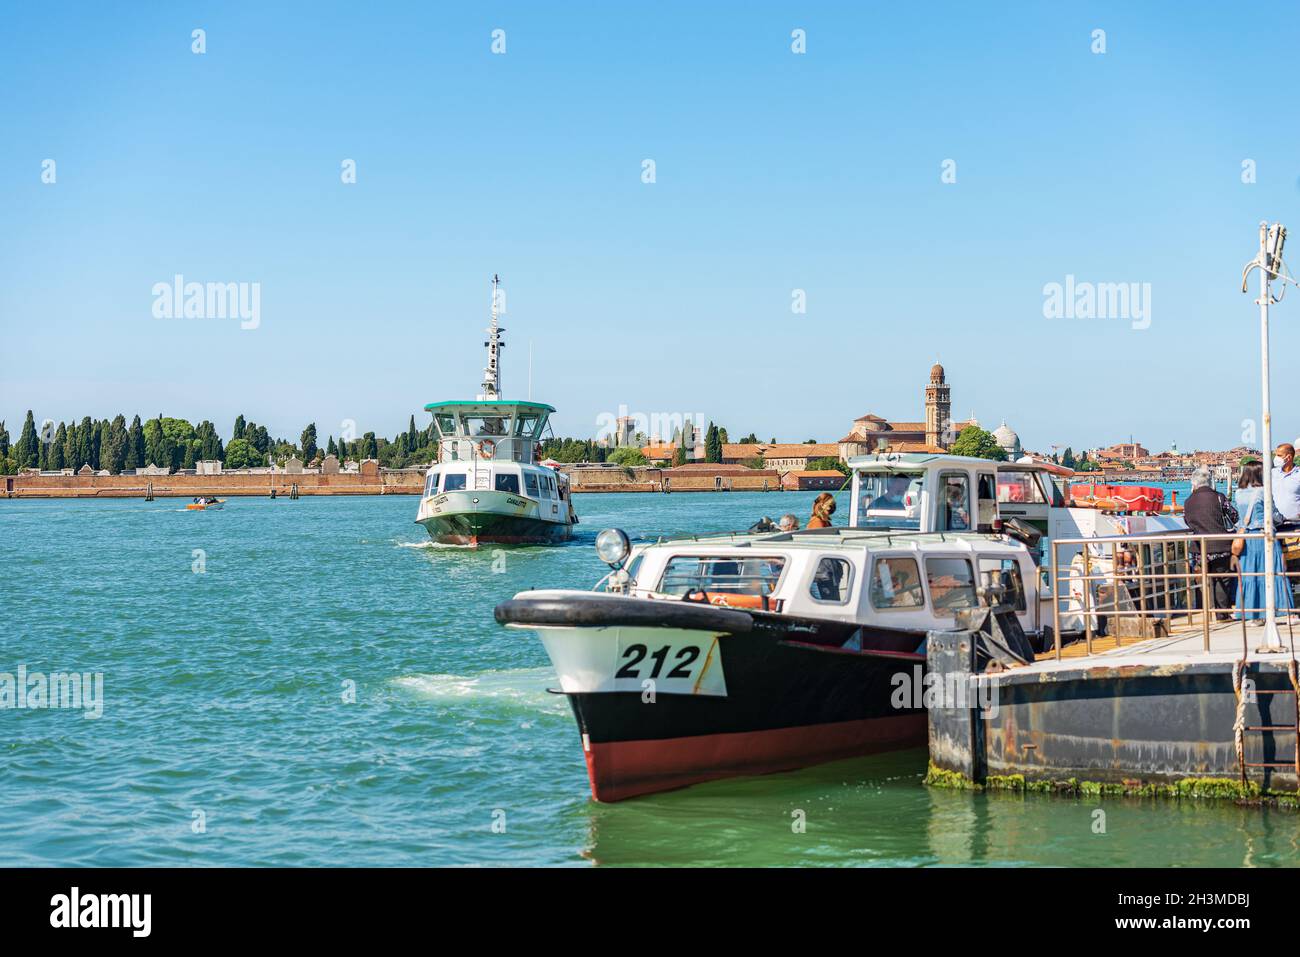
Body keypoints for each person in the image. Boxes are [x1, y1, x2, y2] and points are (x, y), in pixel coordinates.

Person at [1233, 462, 1293, 623]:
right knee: (1274, 572)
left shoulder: (1239, 493)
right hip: (1264, 537)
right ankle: (1282, 611)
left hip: (1247, 539)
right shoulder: (1263, 492)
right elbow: (1274, 515)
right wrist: (1283, 518)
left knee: (1251, 575)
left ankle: (1254, 614)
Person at [1183, 466, 1238, 618]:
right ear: (1209, 482)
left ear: (1194, 483)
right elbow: (1234, 516)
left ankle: (1208, 610)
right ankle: (1222, 614)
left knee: (1207, 579)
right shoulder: (1219, 497)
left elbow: (1187, 521)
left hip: (1200, 548)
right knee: (1223, 579)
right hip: (1221, 545)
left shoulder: (1188, 502)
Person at [1272, 443, 1300, 522]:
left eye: (1279, 455)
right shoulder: (1272, 474)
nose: (1276, 458)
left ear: (1289, 457)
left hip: (1296, 524)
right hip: (1276, 523)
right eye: (1276, 455)